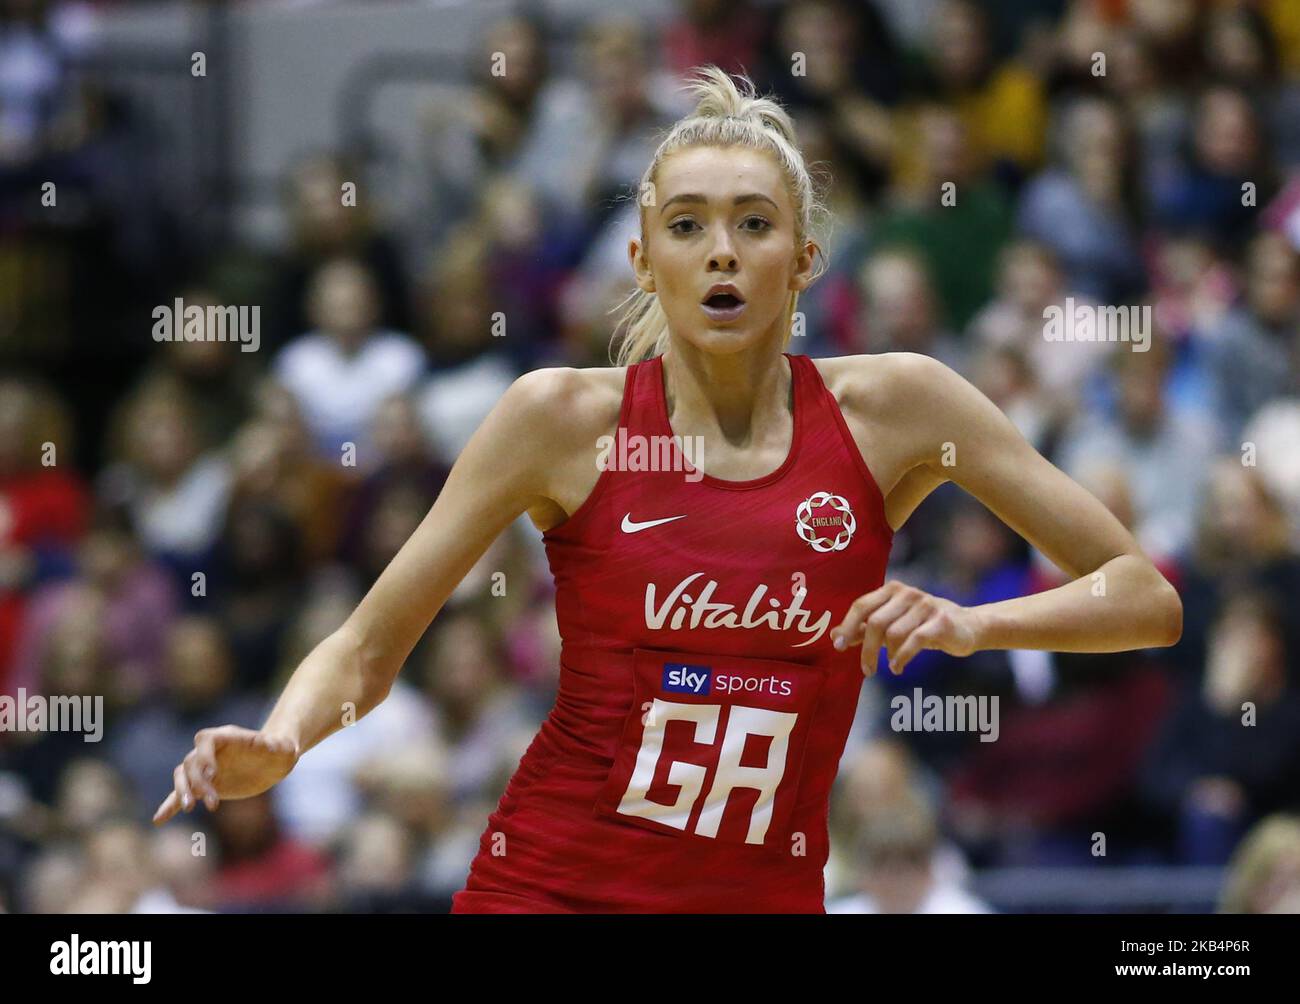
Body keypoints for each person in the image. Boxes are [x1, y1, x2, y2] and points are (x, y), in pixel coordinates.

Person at [152, 68, 1182, 914]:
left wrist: (971, 623)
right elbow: (369, 645)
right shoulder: (558, 418)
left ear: (806, 258)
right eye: (686, 227)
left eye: (752, 223)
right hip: (548, 888)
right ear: (643, 261)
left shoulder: (901, 406)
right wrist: (284, 738)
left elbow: (1142, 594)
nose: (721, 249)